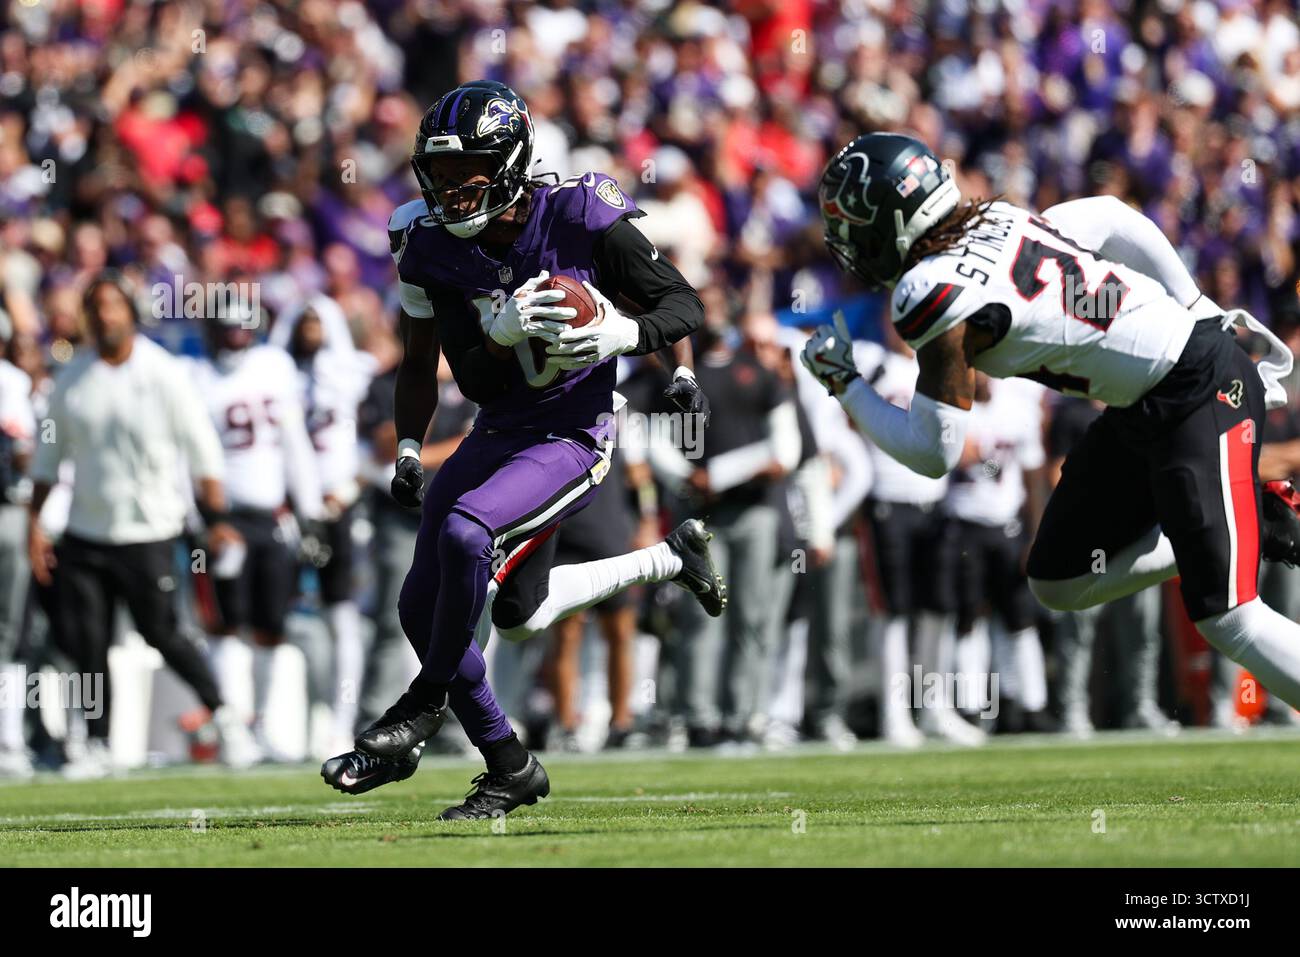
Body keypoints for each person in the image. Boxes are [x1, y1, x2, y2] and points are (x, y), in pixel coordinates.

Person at [321, 80, 723, 820]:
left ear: (508, 161)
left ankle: (421, 704)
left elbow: (683, 303)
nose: (450, 189)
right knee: (433, 606)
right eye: (438, 174)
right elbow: (469, 378)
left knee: (465, 532)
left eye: (466, 171)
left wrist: (629, 339)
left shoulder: (579, 211)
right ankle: (509, 763)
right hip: (499, 429)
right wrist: (496, 340)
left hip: (574, 433)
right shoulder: (431, 243)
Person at [801, 132, 1300, 714]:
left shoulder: (928, 290)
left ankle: (1227, 533)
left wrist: (847, 385)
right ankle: (1245, 524)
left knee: (1228, 615)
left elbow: (934, 453)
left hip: (1196, 384)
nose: (849, 245)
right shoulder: (999, 218)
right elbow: (1115, 217)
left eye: (854, 229)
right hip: (1146, 402)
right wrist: (1193, 302)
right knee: (1059, 578)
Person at [26, 272, 259, 775]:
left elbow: (203, 452)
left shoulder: (163, 372)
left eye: (113, 306)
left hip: (150, 530)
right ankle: (95, 743)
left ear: (130, 313)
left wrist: (215, 517)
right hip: (85, 532)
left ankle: (226, 717)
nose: (105, 316)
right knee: (89, 644)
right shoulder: (72, 379)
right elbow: (48, 461)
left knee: (163, 633)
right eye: (97, 307)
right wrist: (36, 527)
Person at [184, 300, 324, 760]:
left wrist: (309, 510)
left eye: (243, 330)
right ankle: (232, 727)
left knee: (270, 627)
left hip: (271, 516)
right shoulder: (197, 377)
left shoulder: (273, 367)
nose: (236, 339)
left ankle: (261, 725)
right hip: (223, 519)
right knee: (224, 625)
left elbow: (293, 443)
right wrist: (203, 522)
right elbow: (186, 460)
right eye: (228, 330)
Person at [268, 295, 375, 755]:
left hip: (342, 505)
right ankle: (271, 725)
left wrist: (348, 487)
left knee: (342, 612)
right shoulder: (274, 374)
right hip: (286, 507)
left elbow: (379, 436)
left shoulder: (358, 373)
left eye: (317, 319)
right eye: (302, 319)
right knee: (272, 616)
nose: (309, 327)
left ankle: (341, 719)